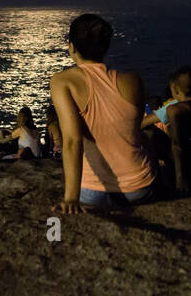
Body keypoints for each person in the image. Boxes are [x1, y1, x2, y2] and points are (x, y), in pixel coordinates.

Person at [50, 13, 157, 212]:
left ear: (71, 46)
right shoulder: (133, 81)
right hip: (140, 187)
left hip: (92, 193)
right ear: (105, 47)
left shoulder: (62, 82)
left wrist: (71, 198)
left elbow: (72, 141)